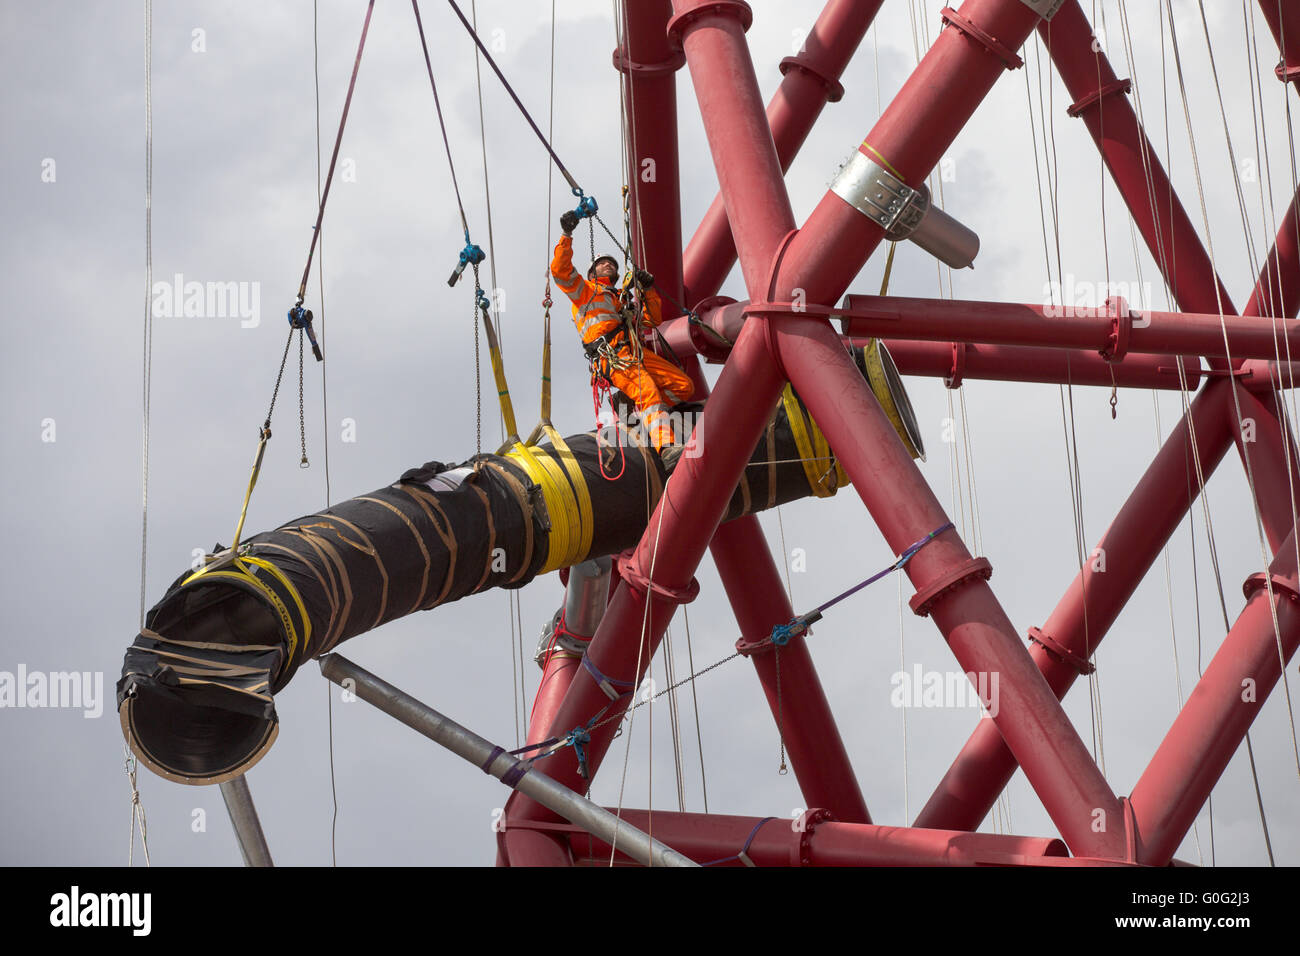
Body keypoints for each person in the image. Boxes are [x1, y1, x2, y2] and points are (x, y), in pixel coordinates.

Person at [551, 210, 694, 450]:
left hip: (634, 353)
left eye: (611, 263)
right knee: (648, 390)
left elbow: (651, 320)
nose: (607, 264)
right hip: (613, 357)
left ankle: (637, 412)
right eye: (601, 263)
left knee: (684, 386)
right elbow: (560, 271)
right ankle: (666, 446)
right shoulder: (584, 291)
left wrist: (647, 289)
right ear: (591, 273)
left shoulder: (621, 301)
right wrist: (567, 234)